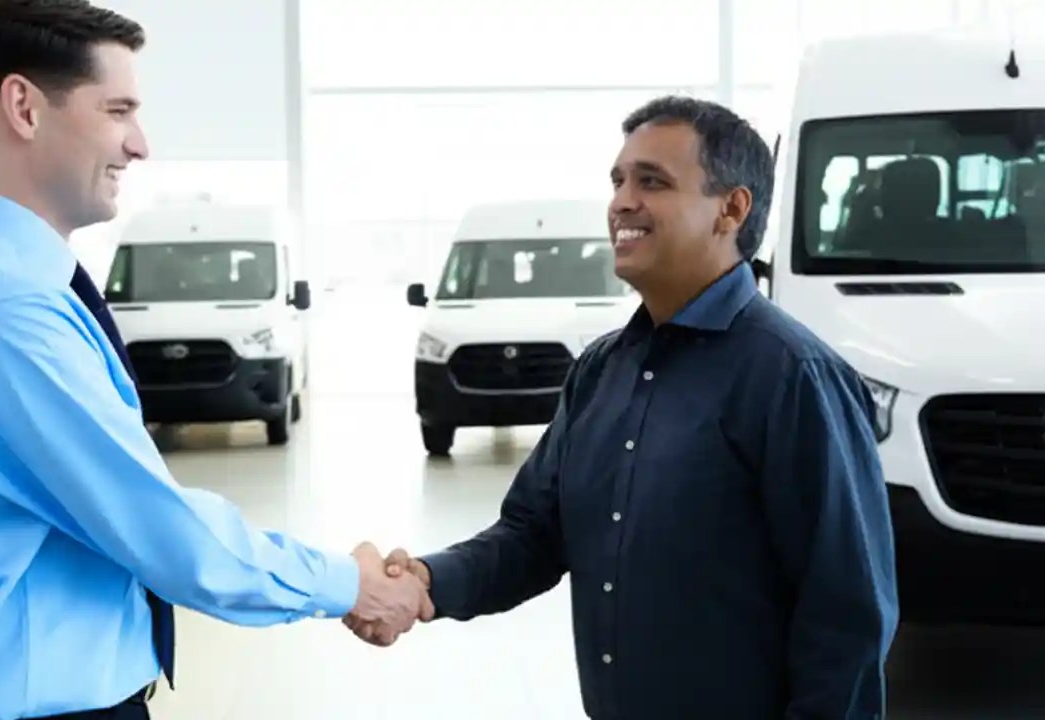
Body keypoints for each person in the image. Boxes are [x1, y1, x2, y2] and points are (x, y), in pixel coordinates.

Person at [0, 2, 429, 719]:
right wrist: (349, 584)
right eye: (118, 111)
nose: (138, 145)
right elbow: (161, 531)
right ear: (24, 107)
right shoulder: (9, 314)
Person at [347, 96, 900, 718]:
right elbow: (534, 534)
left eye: (652, 182)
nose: (622, 203)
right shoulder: (601, 370)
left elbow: (847, 618)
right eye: (618, 181)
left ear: (731, 209)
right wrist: (426, 582)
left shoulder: (794, 377)